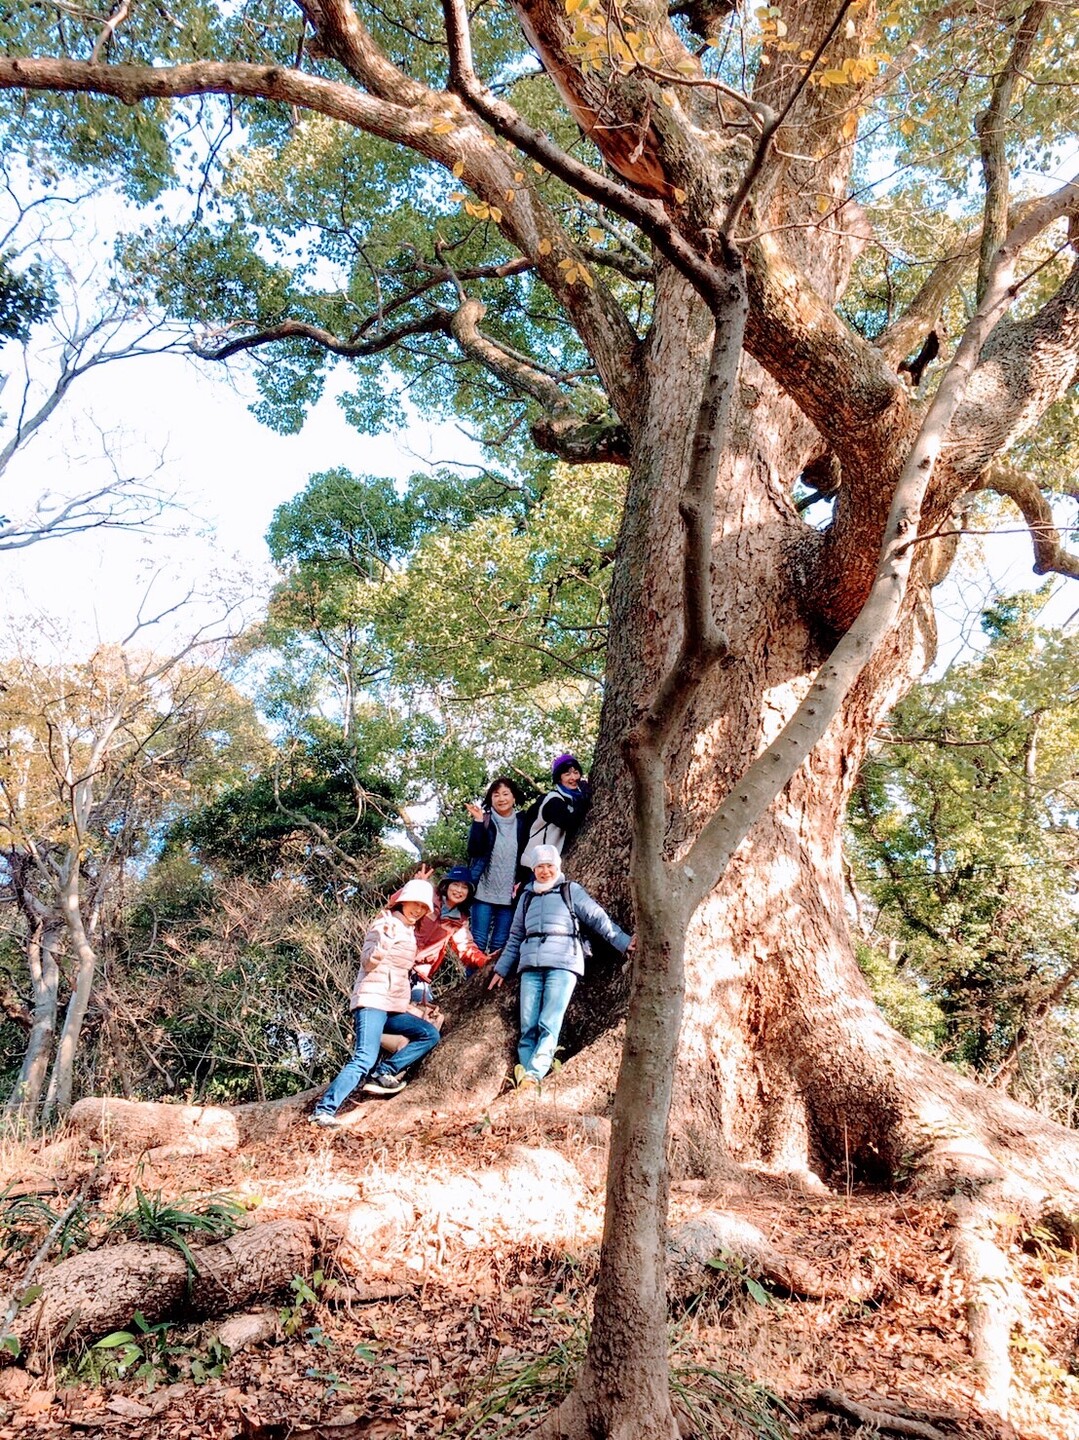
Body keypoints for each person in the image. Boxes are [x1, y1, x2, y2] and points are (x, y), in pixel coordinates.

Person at [488, 845, 634, 1085]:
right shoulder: (526, 897)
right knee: (528, 1023)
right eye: (540, 867)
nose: (545, 871)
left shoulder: (570, 890)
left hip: (563, 963)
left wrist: (623, 941)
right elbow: (515, 937)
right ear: (533, 869)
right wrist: (501, 969)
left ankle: (534, 1075)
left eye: (549, 866)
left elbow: (597, 918)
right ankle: (525, 1075)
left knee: (549, 1021)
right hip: (530, 967)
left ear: (557, 867)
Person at [310, 877, 440, 1127]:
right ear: (403, 901)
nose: (418, 910)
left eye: (423, 907)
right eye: (415, 903)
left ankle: (385, 1071)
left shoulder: (409, 930)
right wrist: (384, 941)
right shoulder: (385, 923)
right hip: (372, 1002)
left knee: (428, 1034)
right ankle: (323, 1110)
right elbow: (369, 961)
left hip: (392, 1006)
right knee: (364, 1057)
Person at [465, 777, 531, 955]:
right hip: (483, 892)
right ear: (490, 799)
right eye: (496, 795)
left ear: (514, 797)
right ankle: (471, 982)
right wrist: (478, 823)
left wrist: (523, 880)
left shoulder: (523, 823)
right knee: (477, 942)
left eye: (505, 794)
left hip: (509, 896)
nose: (501, 799)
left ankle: (492, 982)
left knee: (500, 945)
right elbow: (474, 850)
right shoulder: (485, 820)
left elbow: (527, 853)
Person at [522, 753, 592, 867]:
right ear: (559, 779)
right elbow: (571, 823)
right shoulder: (552, 800)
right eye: (567, 774)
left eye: (576, 772)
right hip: (534, 864)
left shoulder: (571, 799)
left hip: (550, 863)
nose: (573, 778)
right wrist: (584, 798)